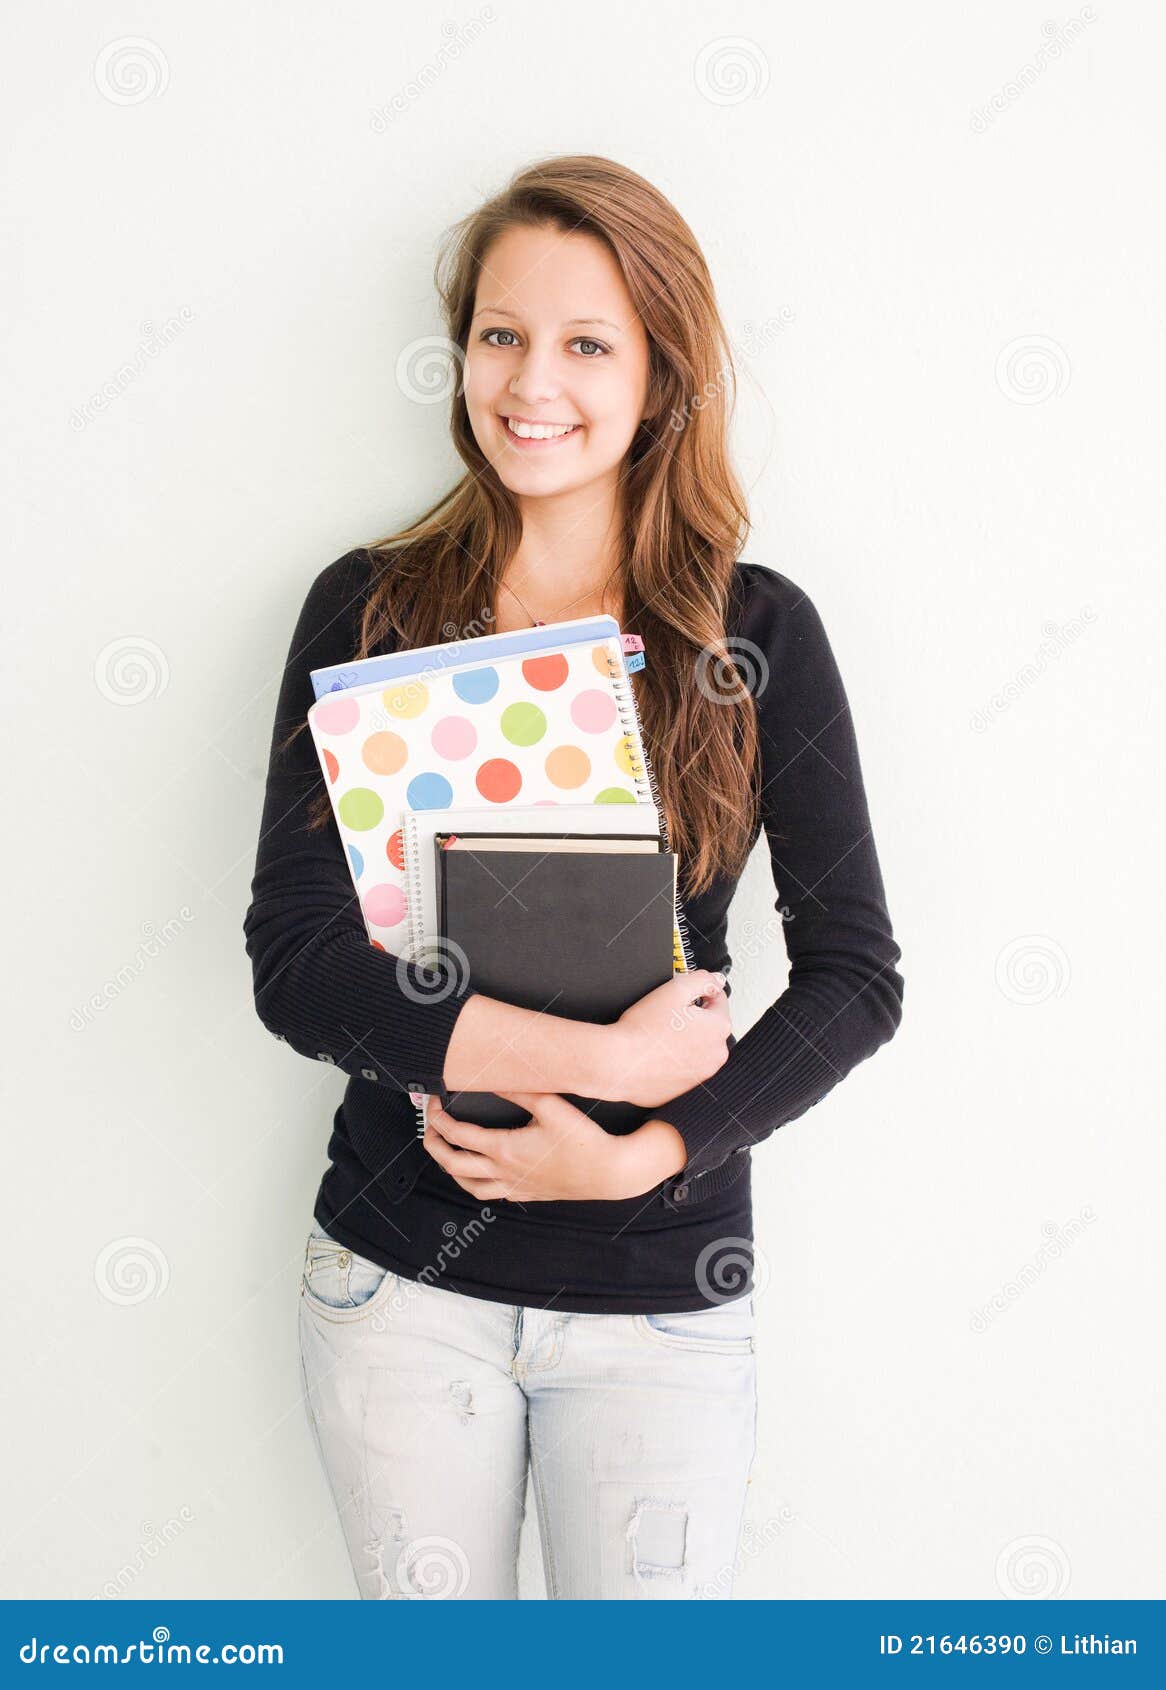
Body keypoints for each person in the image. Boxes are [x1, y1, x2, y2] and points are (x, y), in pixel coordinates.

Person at [243, 154, 904, 1600]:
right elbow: (296, 964)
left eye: (586, 342)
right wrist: (603, 1055)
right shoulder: (367, 606)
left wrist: (639, 1146)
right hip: (399, 1285)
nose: (531, 381)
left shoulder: (757, 633)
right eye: (499, 333)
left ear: (661, 374)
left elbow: (855, 975)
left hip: (659, 1298)